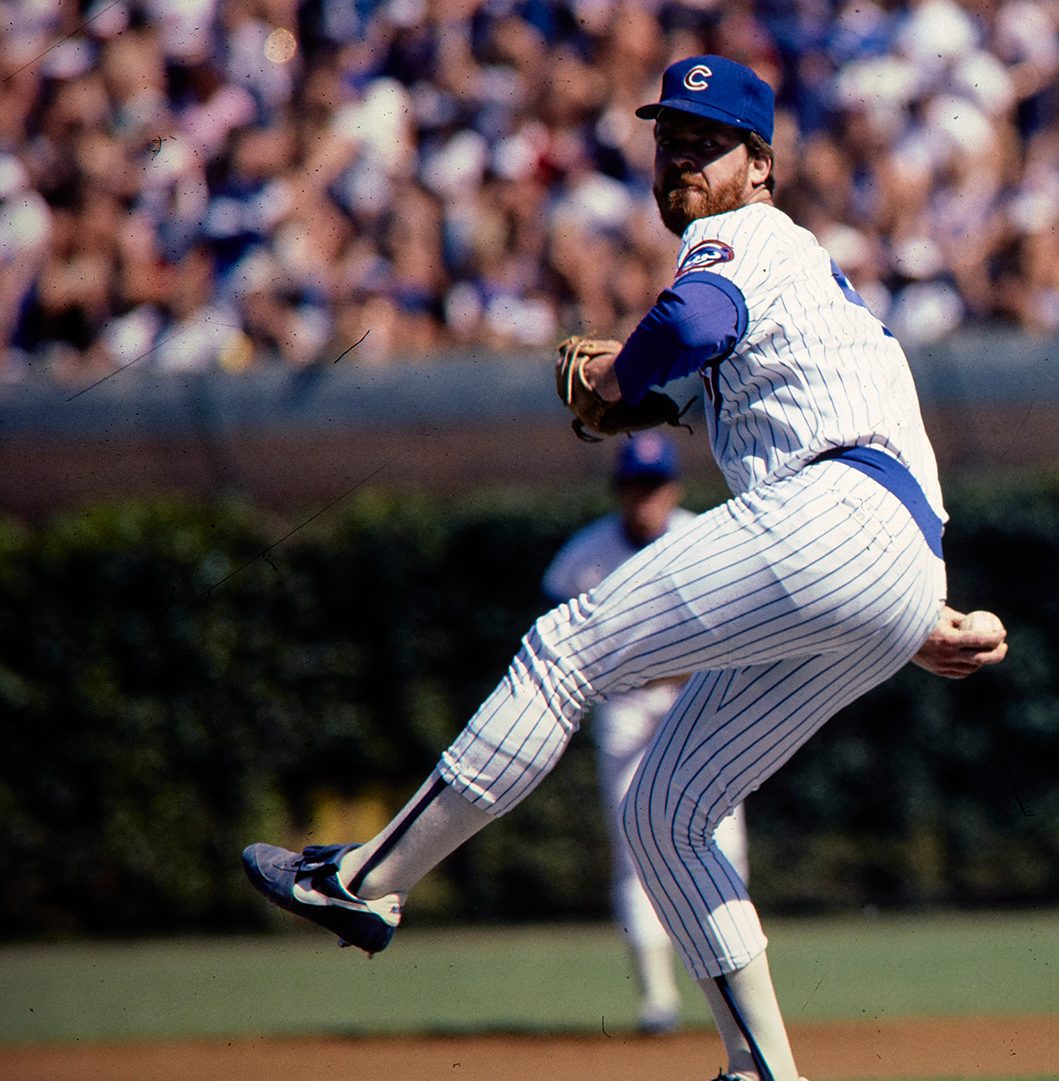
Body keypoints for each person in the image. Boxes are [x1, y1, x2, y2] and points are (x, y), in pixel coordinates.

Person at [242, 54, 1009, 1081]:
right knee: (665, 810)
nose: (682, 156)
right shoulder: (815, 302)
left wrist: (612, 375)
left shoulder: (745, 238)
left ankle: (369, 879)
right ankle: (764, 1071)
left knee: (562, 650)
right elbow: (698, 382)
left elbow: (687, 324)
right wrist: (916, 613)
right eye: (670, 140)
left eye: (708, 142)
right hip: (895, 558)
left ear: (761, 166)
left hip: (839, 513)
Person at [542, 431, 744, 1036]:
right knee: (635, 851)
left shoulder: (705, 537)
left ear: (673, 488)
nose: (645, 496)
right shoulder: (585, 556)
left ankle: (736, 994)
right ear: (619, 490)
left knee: (726, 848)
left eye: (654, 484)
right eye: (635, 484)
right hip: (626, 708)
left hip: (700, 704)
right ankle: (658, 999)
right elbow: (550, 637)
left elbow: (741, 629)